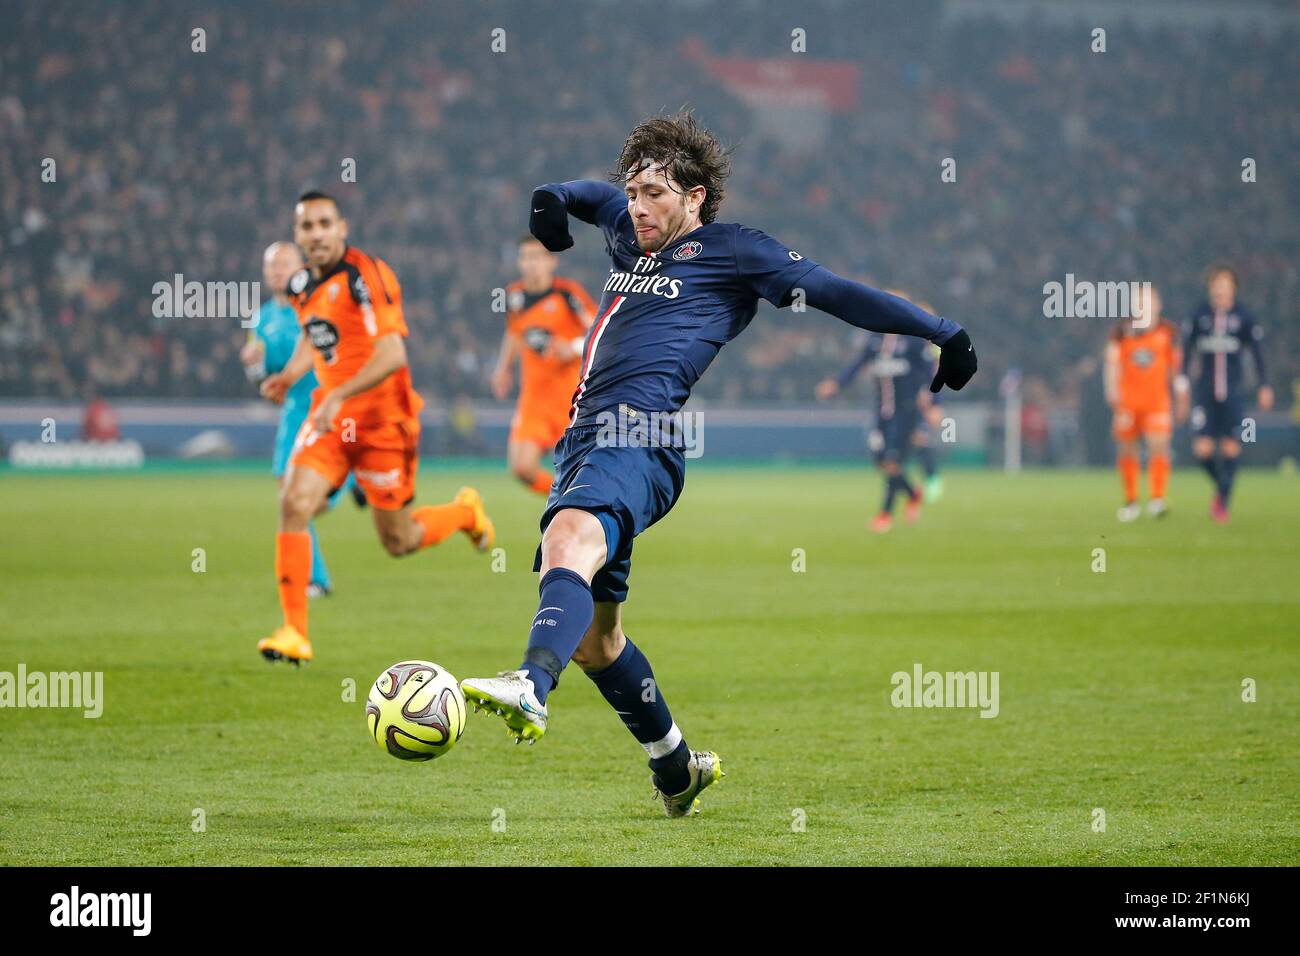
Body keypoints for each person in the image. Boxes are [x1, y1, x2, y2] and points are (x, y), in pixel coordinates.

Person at [460, 113, 977, 816]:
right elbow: (585, 195)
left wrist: (941, 330)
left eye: (653, 192)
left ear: (695, 197)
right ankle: (676, 766)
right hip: (585, 439)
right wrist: (552, 196)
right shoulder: (628, 234)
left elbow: (835, 292)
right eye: (633, 190)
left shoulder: (734, 252)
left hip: (635, 432)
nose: (636, 205)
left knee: (568, 538)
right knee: (597, 642)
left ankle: (528, 681)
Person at [256, 192, 495, 664]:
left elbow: (392, 355)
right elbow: (316, 334)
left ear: (342, 228)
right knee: (293, 502)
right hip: (333, 419)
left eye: (325, 223)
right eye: (307, 226)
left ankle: (466, 513)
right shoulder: (303, 285)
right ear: (298, 234)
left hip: (385, 426)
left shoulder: (367, 276)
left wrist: (341, 393)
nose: (317, 233)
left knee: (398, 541)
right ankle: (294, 632)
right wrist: (288, 375)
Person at [241, 241, 358, 597]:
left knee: (306, 503)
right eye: (271, 266)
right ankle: (316, 579)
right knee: (290, 501)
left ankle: (353, 477)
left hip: (326, 407)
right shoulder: (260, 319)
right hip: (293, 412)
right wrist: (255, 366)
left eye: (284, 264)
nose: (277, 271)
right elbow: (263, 373)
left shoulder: (316, 303)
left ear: (301, 267)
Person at [490, 236, 595, 494]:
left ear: (552, 261)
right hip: (534, 398)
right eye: (526, 257)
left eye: (537, 257)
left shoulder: (569, 294)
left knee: (580, 468)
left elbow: (599, 332)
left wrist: (570, 347)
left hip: (568, 397)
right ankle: (563, 499)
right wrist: (503, 368)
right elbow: (515, 332)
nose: (531, 263)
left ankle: (577, 503)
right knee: (521, 466)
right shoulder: (512, 295)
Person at [1183, 264, 1272, 522]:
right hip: (1205, 393)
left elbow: (1257, 354)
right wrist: (1181, 382)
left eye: (1225, 283)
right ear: (1210, 287)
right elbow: (1187, 351)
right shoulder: (1199, 316)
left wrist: (1264, 385)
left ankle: (1221, 502)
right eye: (1216, 283)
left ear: (1233, 287)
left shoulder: (1244, 317)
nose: (1220, 288)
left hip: (1233, 392)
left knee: (1232, 448)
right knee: (1202, 449)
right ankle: (1222, 486)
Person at [1104, 284, 1187, 521]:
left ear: (1158, 304)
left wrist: (1181, 396)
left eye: (1148, 300)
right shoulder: (1121, 331)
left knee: (1158, 446)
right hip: (1128, 403)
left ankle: (1157, 498)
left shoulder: (1168, 332)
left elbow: (1176, 369)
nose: (1143, 305)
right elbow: (1112, 364)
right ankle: (1131, 501)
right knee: (1128, 449)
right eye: (1139, 300)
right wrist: (1113, 396)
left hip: (1156, 402)